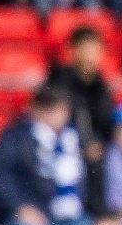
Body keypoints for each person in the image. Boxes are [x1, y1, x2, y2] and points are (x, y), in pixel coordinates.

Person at [0, 87, 93, 225]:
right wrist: (18, 208)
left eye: (62, 110)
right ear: (37, 110)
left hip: (68, 217)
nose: (59, 116)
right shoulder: (15, 137)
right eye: (52, 110)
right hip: (24, 216)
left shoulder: (73, 138)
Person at [43, 28, 117, 161]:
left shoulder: (101, 87)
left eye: (95, 51)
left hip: (93, 152)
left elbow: (106, 123)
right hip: (59, 145)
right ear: (75, 51)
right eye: (86, 50)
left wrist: (100, 144)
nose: (91, 57)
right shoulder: (59, 80)